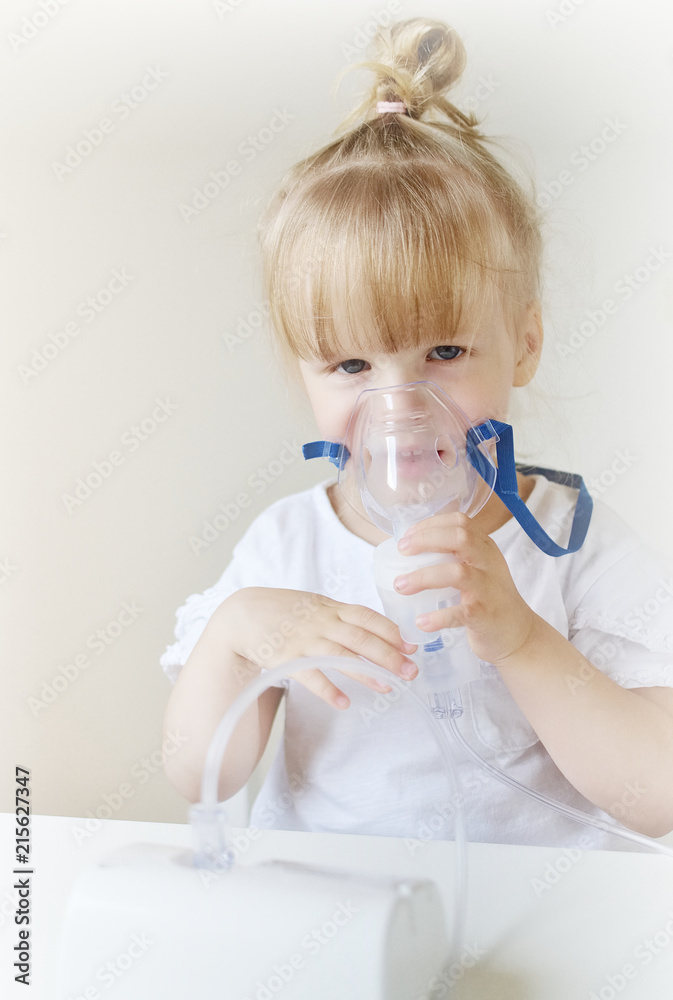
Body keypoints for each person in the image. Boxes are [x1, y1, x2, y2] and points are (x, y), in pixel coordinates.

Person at [161, 17, 673, 849]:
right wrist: (233, 640)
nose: (398, 405)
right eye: (350, 367)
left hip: (538, 940)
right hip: (347, 933)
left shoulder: (571, 544)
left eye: (443, 351)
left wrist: (521, 637)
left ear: (525, 343)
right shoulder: (287, 548)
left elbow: (659, 793)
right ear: (305, 370)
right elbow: (200, 778)